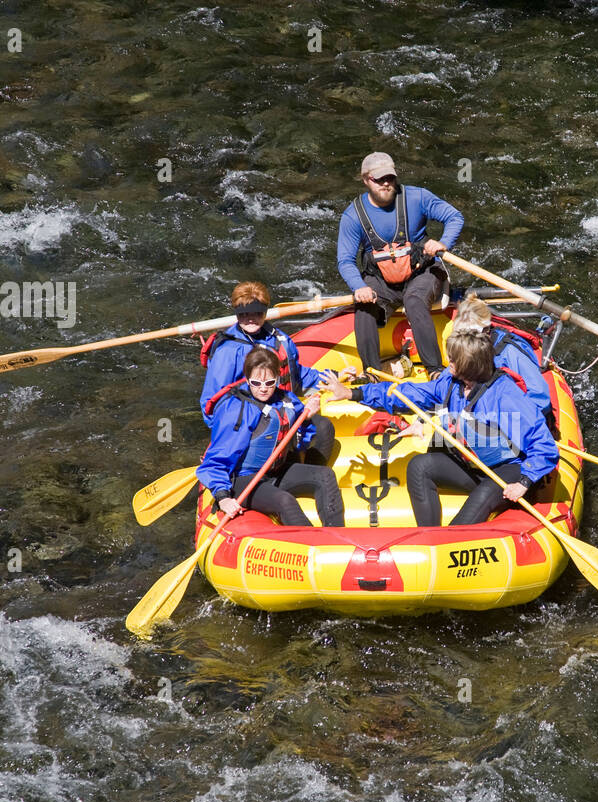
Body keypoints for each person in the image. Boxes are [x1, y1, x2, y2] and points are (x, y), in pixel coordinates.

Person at [321, 329, 557, 527]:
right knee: (419, 466)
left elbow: (542, 444)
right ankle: (429, 536)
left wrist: (525, 481)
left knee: (482, 498)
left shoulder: (505, 396)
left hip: (506, 470)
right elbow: (406, 394)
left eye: (452, 360)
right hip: (471, 463)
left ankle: (451, 542)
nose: (448, 362)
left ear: (467, 365)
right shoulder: (450, 383)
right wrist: (353, 393)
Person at [336, 152, 464, 378]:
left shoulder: (417, 198)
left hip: (421, 274)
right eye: (379, 179)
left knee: (413, 301)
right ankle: (373, 373)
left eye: (390, 178)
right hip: (381, 282)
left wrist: (443, 242)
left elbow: (454, 217)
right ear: (366, 180)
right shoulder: (353, 216)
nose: (386, 184)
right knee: (364, 309)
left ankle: (434, 370)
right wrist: (359, 287)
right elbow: (345, 260)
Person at [198, 347, 344, 527]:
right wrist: (222, 498)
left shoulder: (287, 401)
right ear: (247, 378)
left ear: (277, 378)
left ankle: (337, 536)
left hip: (275, 471)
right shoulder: (236, 410)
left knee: (325, 475)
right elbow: (216, 460)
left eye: (269, 383)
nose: (263, 389)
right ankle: (311, 547)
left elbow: (301, 443)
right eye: (256, 383)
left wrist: (305, 420)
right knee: (285, 501)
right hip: (242, 479)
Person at [199, 281, 333, 462]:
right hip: (251, 421)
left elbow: (297, 374)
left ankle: (309, 470)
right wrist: (226, 440)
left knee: (323, 427)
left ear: (265, 313)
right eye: (244, 314)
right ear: (237, 314)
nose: (251, 318)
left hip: (283, 409)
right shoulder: (228, 352)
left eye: (257, 313)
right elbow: (212, 402)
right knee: (318, 427)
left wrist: (333, 377)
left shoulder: (279, 339)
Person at [450, 293, 556, 432]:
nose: (461, 343)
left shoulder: (510, 352)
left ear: (485, 332)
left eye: (465, 338)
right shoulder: (465, 348)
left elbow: (540, 398)